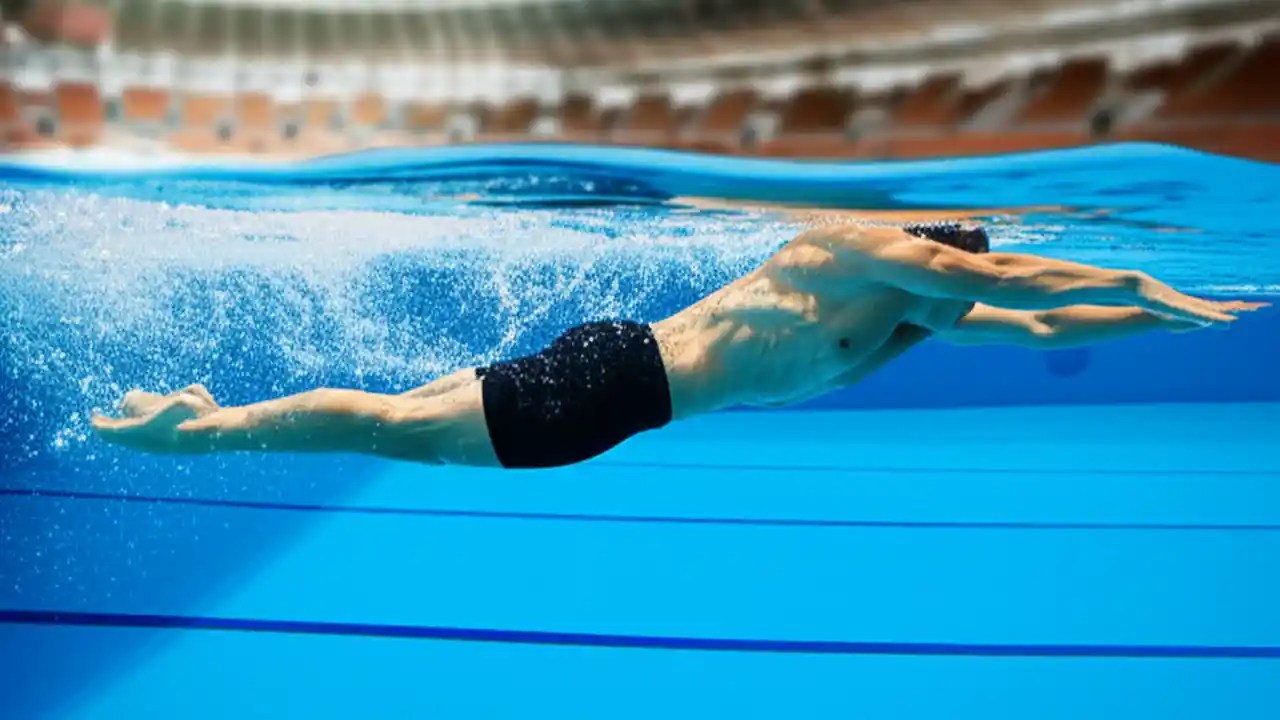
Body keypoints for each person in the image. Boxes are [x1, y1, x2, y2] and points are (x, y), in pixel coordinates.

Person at [91, 222, 1265, 468]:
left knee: (406, 417)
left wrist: (1172, 312)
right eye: (942, 260)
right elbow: (1008, 278)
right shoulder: (851, 252)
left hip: (625, 385)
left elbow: (1047, 319)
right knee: (396, 428)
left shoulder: (917, 312)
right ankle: (198, 431)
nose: (950, 283)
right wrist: (1144, 274)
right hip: (625, 382)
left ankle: (206, 422)